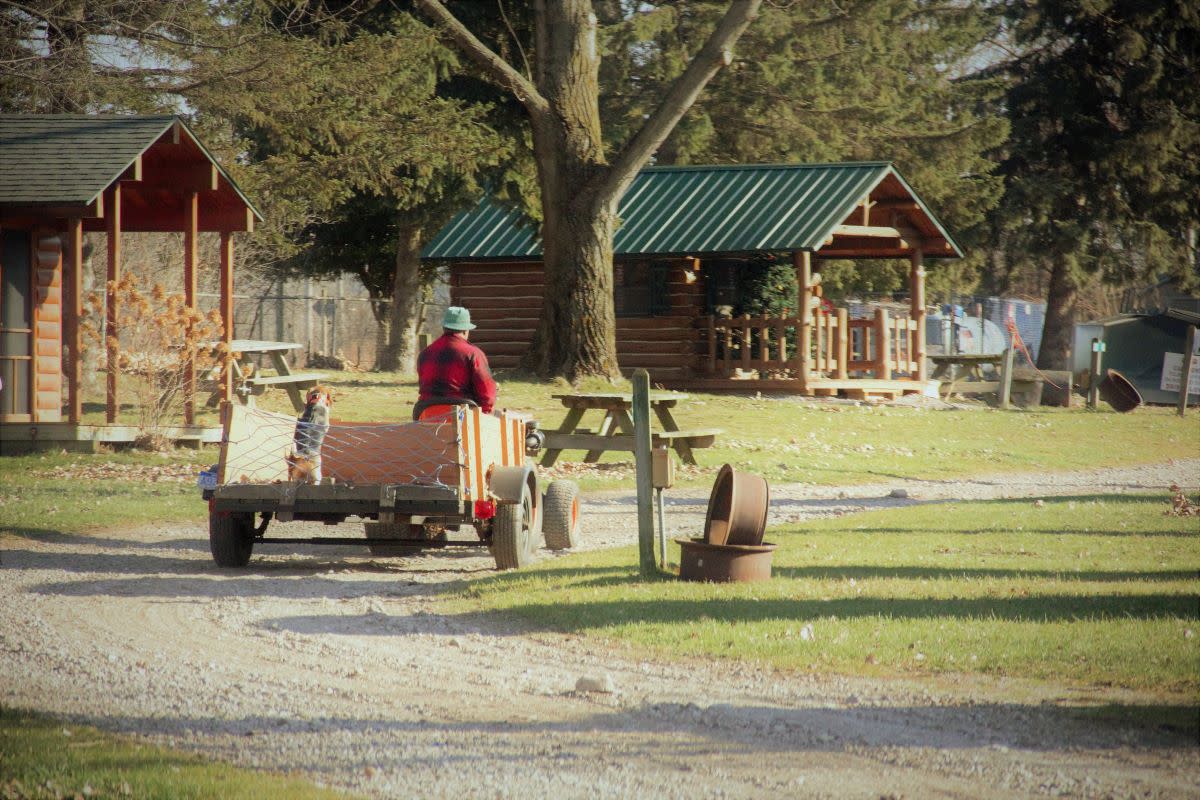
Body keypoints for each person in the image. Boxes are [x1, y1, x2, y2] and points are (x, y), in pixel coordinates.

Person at [413, 306, 497, 420]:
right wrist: (486, 418)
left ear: (444, 328)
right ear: (465, 330)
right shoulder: (473, 354)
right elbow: (487, 394)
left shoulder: (424, 354)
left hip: (427, 417)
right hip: (463, 418)